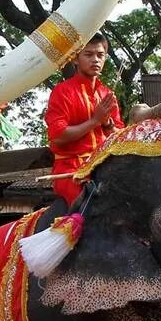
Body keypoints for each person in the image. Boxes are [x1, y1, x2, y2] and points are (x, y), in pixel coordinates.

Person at [43, 33, 123, 206]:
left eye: (100, 55)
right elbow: (58, 136)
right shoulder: (62, 92)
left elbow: (121, 137)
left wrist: (107, 123)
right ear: (75, 59)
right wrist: (95, 121)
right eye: (89, 54)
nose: (95, 60)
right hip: (71, 171)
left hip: (104, 165)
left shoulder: (107, 95)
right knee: (89, 208)